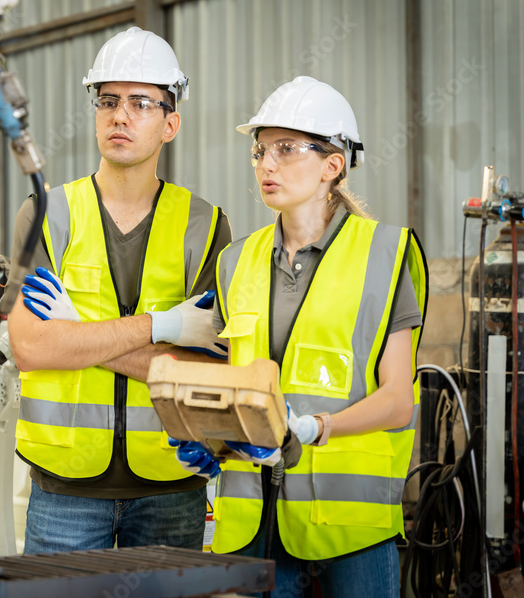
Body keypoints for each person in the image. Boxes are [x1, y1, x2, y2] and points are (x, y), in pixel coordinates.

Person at [173, 76, 427, 597]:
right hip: (253, 524)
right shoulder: (234, 261)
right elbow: (233, 388)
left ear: (333, 165)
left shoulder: (387, 254)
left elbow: (399, 401)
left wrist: (311, 428)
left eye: (286, 149)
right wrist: (208, 440)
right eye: (261, 150)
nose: (267, 164)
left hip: (350, 529)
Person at [7, 26, 232, 553]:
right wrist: (161, 327)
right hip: (64, 486)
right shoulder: (46, 216)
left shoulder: (205, 224)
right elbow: (32, 347)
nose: (119, 115)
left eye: (140, 103)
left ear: (170, 123)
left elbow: (206, 371)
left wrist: (79, 336)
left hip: (171, 483)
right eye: (107, 100)